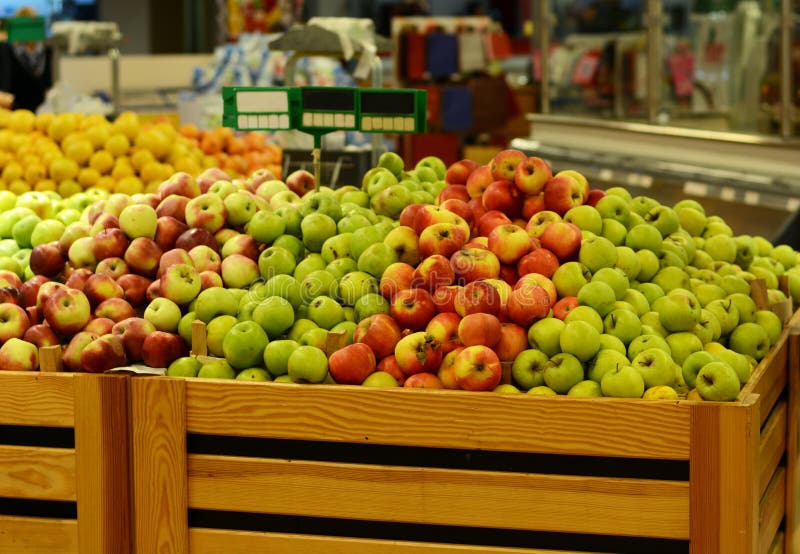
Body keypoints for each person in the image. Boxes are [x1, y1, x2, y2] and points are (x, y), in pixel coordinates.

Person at [0, 7, 53, 112]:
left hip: (40, 109)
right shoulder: (7, 50)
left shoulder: (45, 51)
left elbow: (48, 82)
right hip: (13, 108)